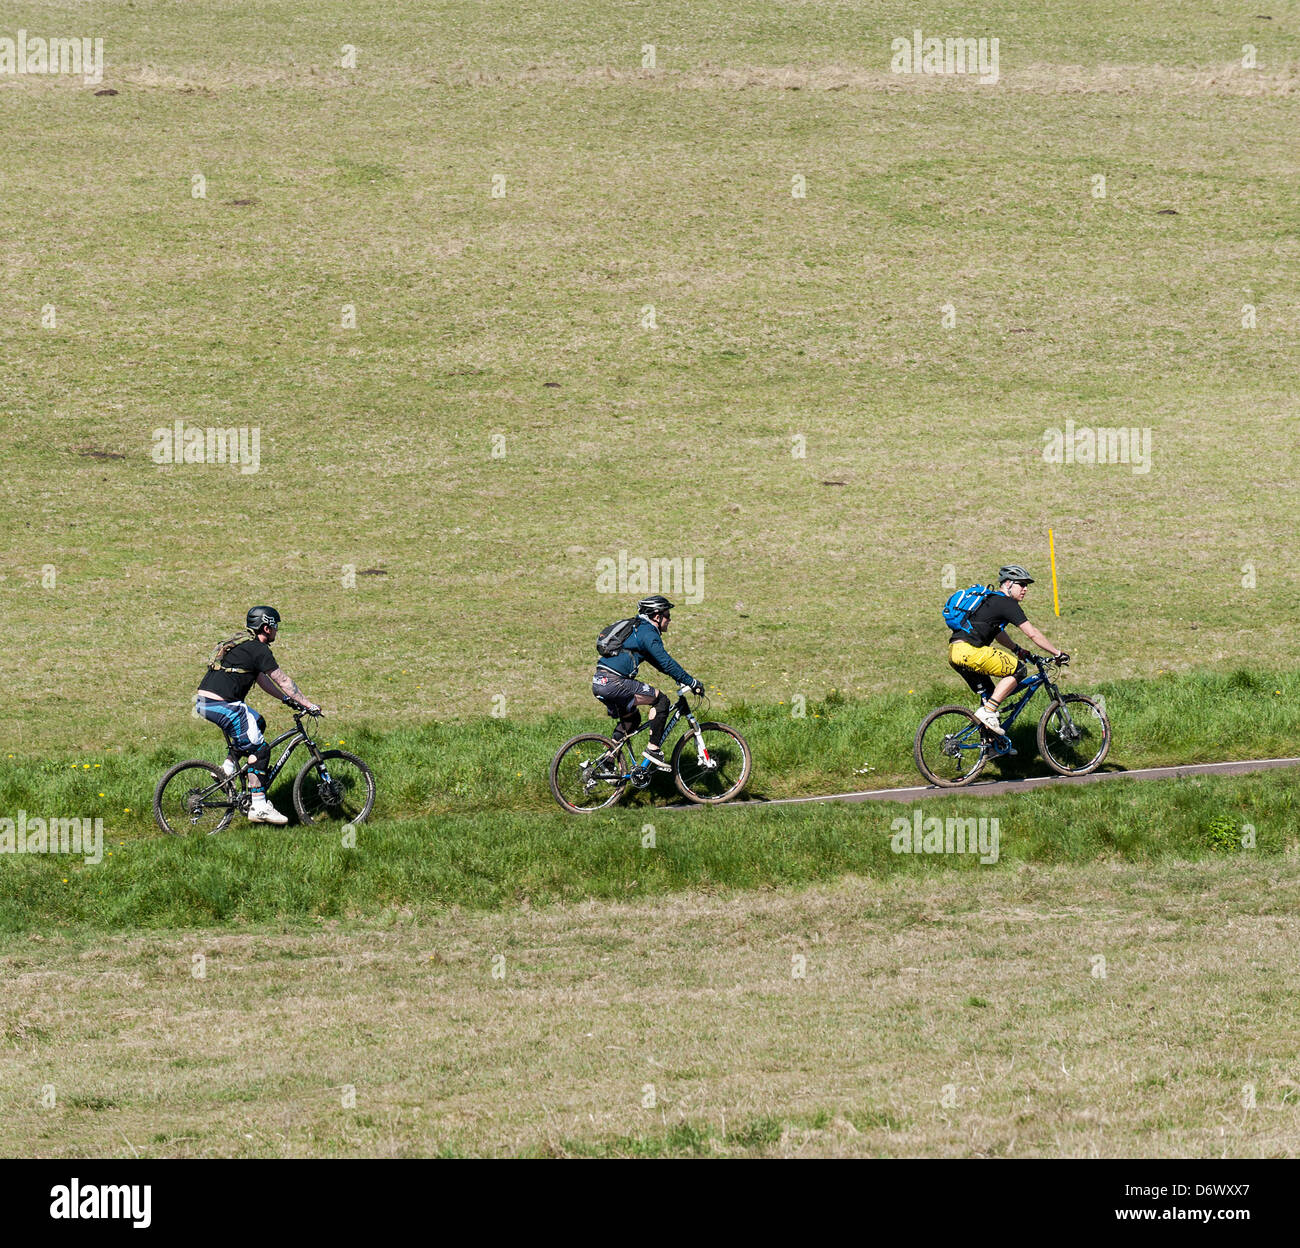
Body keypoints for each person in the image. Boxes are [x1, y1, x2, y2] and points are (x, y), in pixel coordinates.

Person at [195, 606, 321, 824]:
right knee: (260, 750)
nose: (277, 631)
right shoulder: (260, 650)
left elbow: (261, 679)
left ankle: (226, 769)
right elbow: (282, 680)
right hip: (224, 704)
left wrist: (286, 700)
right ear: (266, 627)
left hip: (206, 702)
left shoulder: (244, 645)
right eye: (275, 626)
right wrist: (308, 704)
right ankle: (259, 805)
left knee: (258, 723)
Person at [948, 566, 1069, 736]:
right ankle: (988, 712)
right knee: (1018, 670)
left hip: (955, 653)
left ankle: (990, 745)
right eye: (1021, 584)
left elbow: (997, 632)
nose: (1025, 589)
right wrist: (1057, 653)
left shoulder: (990, 600)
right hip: (971, 652)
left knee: (990, 696)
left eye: (1027, 585)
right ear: (1008, 584)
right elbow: (1032, 633)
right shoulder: (1007, 603)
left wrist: (1017, 649)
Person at [592, 595, 704, 771]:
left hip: (600, 682)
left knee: (632, 719)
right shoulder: (647, 633)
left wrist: (678, 677)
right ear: (657, 616)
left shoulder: (638, 630)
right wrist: (692, 682)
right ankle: (653, 750)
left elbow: (658, 663)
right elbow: (666, 661)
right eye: (667, 615)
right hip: (615, 682)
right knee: (661, 701)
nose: (670, 619)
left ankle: (608, 759)